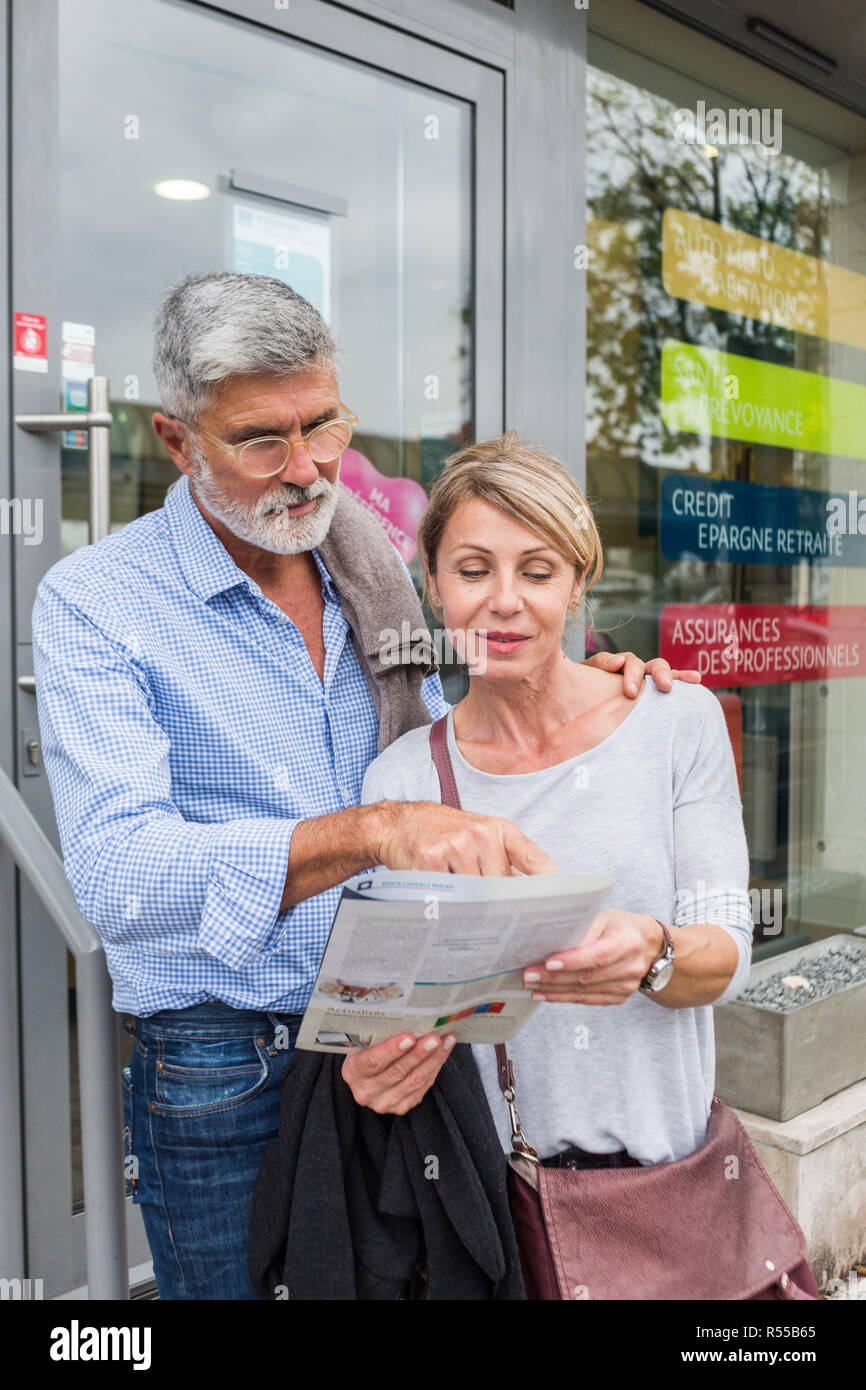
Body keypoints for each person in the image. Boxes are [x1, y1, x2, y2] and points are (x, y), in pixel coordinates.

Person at [32, 273, 695, 1300]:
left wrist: (596, 683)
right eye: (261, 438)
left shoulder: (373, 562)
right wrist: (371, 830)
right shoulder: (95, 602)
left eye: (325, 423)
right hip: (229, 1061)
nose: (306, 468)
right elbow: (120, 877)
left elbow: (465, 738)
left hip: (412, 1024)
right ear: (176, 440)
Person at [351, 431, 753, 1186]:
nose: (504, 601)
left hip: (662, 1190)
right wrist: (377, 1067)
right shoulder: (400, 784)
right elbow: (391, 1014)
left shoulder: (675, 722)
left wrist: (654, 953)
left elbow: (726, 953)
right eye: (472, 570)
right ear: (434, 586)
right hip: (496, 1211)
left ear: (578, 584)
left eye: (537, 571)